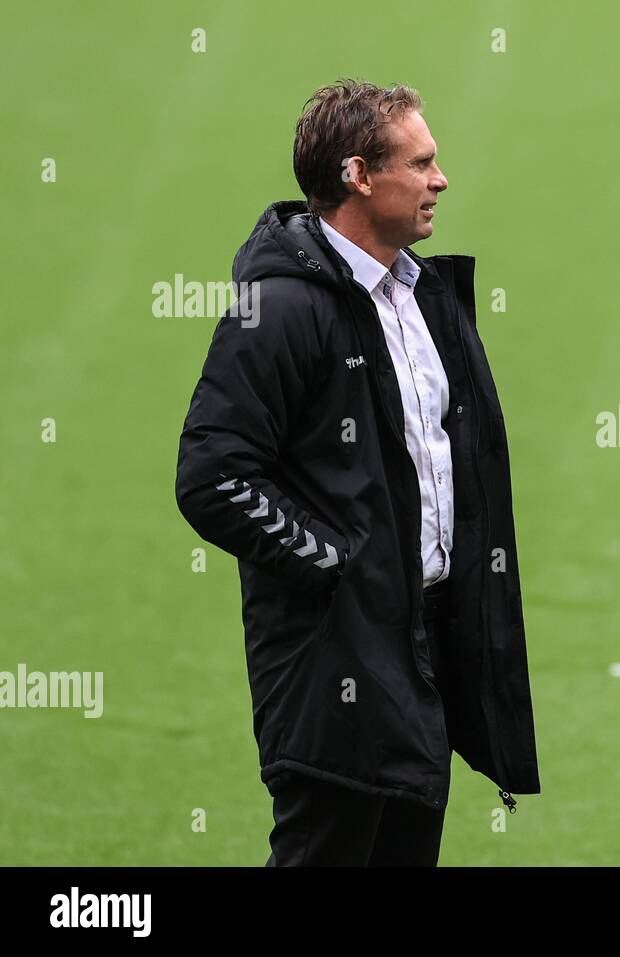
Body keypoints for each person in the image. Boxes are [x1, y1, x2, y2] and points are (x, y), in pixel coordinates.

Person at [175, 79, 540, 866]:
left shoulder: (423, 294)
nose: (441, 179)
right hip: (331, 662)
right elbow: (212, 474)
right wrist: (335, 563)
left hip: (422, 645)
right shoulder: (279, 308)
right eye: (422, 162)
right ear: (358, 176)